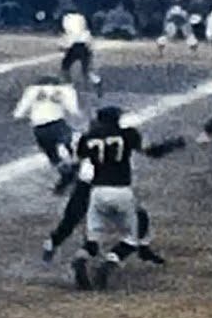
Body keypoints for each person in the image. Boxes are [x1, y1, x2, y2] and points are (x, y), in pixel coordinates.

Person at [69, 106, 185, 290]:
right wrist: (172, 144)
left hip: (97, 192)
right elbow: (152, 152)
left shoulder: (87, 139)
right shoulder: (129, 134)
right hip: (121, 191)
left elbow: (74, 166)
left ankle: (80, 258)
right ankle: (111, 260)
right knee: (133, 235)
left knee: (92, 239)